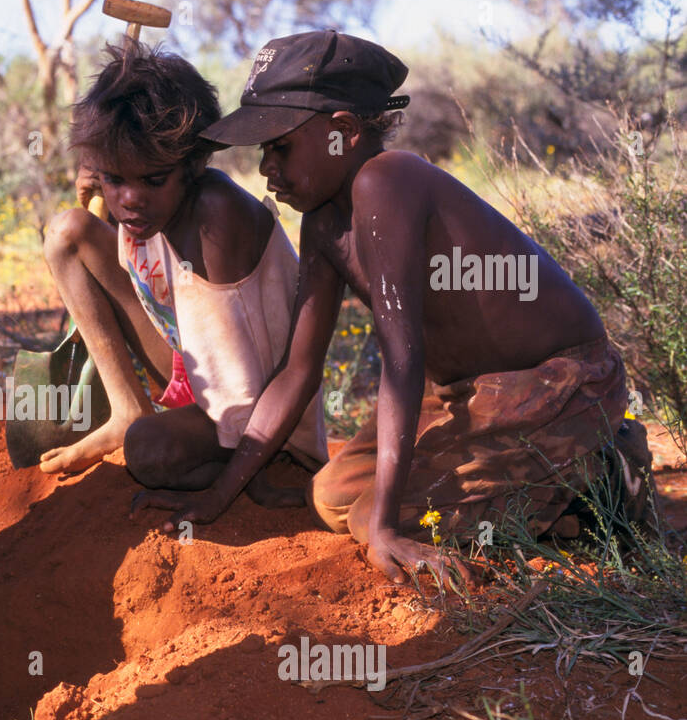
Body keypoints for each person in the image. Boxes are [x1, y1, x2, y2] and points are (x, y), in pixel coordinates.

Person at [134, 30, 653, 584]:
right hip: (467, 395)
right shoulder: (324, 224)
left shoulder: (388, 181)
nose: (266, 168)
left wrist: (383, 528)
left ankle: (599, 478)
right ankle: (546, 483)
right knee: (330, 495)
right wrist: (221, 492)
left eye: (279, 146)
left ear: (344, 133)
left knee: (374, 517)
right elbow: (298, 370)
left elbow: (402, 359)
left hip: (558, 383)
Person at [39, 40, 327, 503]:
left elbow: (242, 386)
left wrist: (245, 485)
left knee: (148, 451)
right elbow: (131, 227)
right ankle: (126, 410)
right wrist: (109, 175)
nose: (131, 198)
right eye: (115, 179)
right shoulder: (140, 202)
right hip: (193, 367)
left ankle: (244, 466)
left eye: (153, 179)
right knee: (67, 233)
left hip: (260, 409)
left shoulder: (215, 212)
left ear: (193, 163)